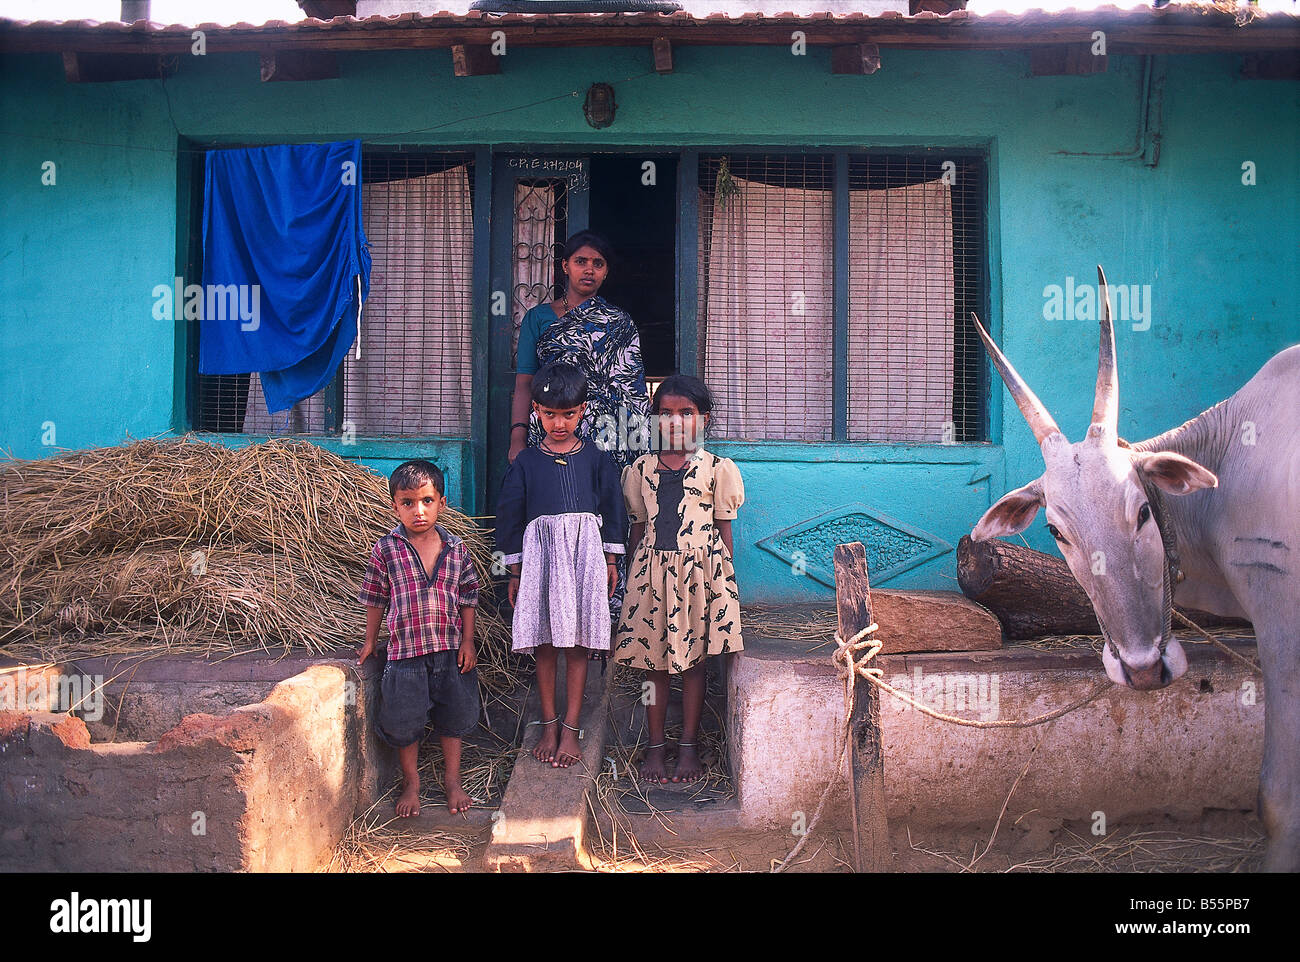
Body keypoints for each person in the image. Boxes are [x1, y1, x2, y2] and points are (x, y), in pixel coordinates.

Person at [496, 362, 628, 768]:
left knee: (577, 645)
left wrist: (609, 561)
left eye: (568, 414)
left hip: (584, 559)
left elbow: (612, 507)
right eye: (550, 414)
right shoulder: (526, 463)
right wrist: (515, 571)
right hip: (541, 562)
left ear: (583, 410)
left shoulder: (596, 459)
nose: (559, 423)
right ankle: (548, 725)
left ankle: (572, 728)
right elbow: (510, 517)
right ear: (535, 410)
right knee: (547, 644)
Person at [614, 376, 744, 784]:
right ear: (653, 420)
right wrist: (631, 578)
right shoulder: (640, 470)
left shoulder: (718, 470)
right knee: (653, 664)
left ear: (703, 419)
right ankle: (655, 746)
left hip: (699, 579)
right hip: (652, 577)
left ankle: (688, 744)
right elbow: (638, 528)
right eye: (665, 413)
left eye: (686, 413)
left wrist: (724, 588)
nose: (675, 421)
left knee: (694, 664)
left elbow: (724, 533)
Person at [357, 459, 481, 817]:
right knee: (404, 721)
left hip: (449, 651)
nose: (419, 511)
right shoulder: (386, 549)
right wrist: (370, 641)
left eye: (427, 501)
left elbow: (468, 598)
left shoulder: (456, 550)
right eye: (408, 503)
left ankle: (452, 780)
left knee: (453, 718)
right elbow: (376, 598)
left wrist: (468, 641)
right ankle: (411, 782)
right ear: (394, 505)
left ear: (442, 502)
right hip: (405, 654)